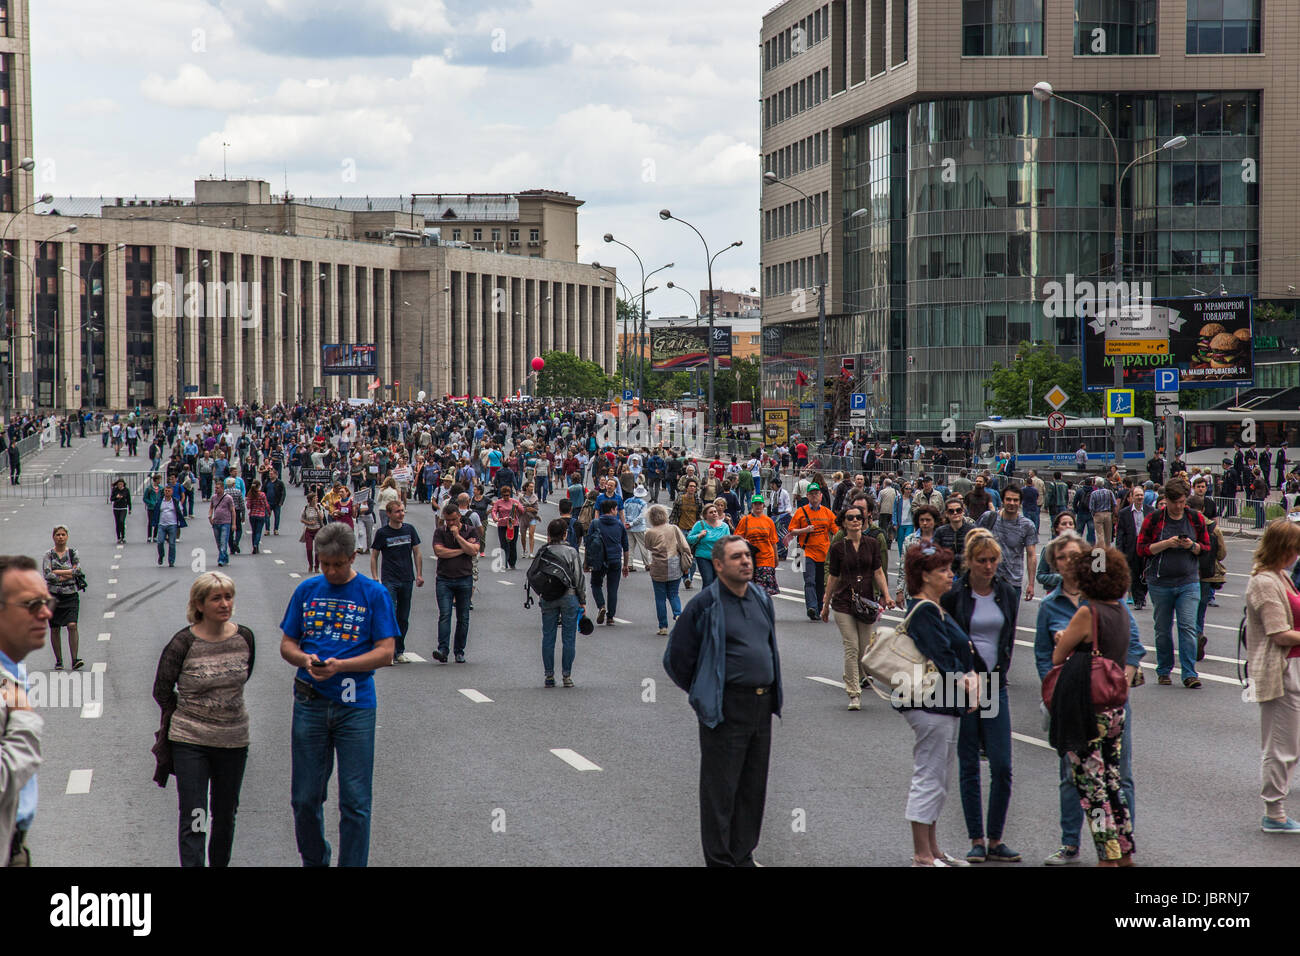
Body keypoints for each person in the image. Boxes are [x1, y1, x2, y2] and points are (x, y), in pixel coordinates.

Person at [279, 522, 397, 868]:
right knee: (304, 798)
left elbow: (386, 652)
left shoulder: (374, 594)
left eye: (337, 564)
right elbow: (287, 644)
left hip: (355, 706)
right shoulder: (306, 590)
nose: (330, 571)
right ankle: (315, 859)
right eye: (325, 564)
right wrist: (305, 659)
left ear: (352, 557)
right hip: (310, 702)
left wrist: (341, 666)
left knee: (355, 802)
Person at [663, 535, 781, 867]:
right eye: (736, 557)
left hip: (761, 705)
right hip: (726, 706)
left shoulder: (761, 598)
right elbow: (676, 659)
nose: (746, 561)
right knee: (721, 790)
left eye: (747, 555)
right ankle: (720, 861)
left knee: (752, 787)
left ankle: (743, 855)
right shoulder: (705, 604)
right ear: (718, 565)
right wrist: (706, 691)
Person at [1034, 531, 1144, 864]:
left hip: (1086, 708)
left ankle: (1106, 855)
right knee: (1113, 782)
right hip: (1113, 708)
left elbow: (1057, 656)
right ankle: (1124, 850)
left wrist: (1064, 638)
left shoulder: (1087, 613)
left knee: (1091, 788)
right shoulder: (1119, 610)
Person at [152, 572, 254, 867]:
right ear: (199, 604)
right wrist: (191, 713)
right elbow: (161, 690)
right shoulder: (183, 643)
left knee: (225, 815)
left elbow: (242, 677)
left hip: (233, 739)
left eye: (228, 597)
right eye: (216, 598)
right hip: (191, 740)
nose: (224, 604)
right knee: (195, 814)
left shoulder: (244, 638)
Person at [895, 544, 978, 867]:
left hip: (943, 703)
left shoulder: (934, 607)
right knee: (929, 776)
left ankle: (933, 848)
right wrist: (966, 680)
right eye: (943, 570)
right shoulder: (924, 610)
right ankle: (922, 854)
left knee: (939, 778)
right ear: (925, 576)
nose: (950, 575)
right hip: (931, 703)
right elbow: (941, 653)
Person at [941, 530, 1019, 863]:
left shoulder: (1005, 592)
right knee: (970, 764)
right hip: (963, 686)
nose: (988, 566)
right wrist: (958, 676)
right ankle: (976, 839)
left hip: (994, 684)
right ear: (970, 562)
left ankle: (996, 839)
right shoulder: (955, 594)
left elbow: (1008, 637)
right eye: (982, 560)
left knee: (1001, 766)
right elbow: (945, 640)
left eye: (993, 560)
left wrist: (1000, 671)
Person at [1243, 518, 1300, 831]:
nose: (1297, 555)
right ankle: (1274, 812)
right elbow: (1279, 634)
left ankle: (1276, 808)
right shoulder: (1265, 582)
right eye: (1295, 549)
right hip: (1280, 670)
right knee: (1281, 744)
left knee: (1290, 743)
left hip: (1293, 667)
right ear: (1283, 548)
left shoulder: (1281, 575)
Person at [1136, 478, 1210, 688]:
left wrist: (1191, 545)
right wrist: (1166, 544)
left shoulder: (1195, 518)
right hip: (1160, 583)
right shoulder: (1154, 519)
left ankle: (1189, 673)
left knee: (1187, 627)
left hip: (1188, 581)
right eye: (1175, 502)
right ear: (1166, 500)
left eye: (1182, 502)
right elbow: (1142, 549)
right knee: (1162, 628)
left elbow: (1205, 548)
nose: (1179, 506)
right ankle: (1164, 669)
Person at [0, 554, 49, 867]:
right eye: (32, 605)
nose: (45, 613)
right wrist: (24, 720)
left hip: (13, 841)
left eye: (46, 602)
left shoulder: (13, 670)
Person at [823, 504, 894, 711]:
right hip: (843, 602)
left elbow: (878, 572)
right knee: (851, 647)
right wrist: (825, 605)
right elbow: (833, 577)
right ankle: (854, 693)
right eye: (850, 518)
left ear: (863, 522)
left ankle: (853, 674)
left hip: (866, 602)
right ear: (844, 523)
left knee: (864, 651)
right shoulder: (838, 547)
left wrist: (887, 595)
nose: (855, 521)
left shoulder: (872, 544)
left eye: (858, 518)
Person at [530, 517, 586, 688]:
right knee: (569, 638)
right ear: (565, 534)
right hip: (569, 596)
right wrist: (582, 600)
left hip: (548, 597)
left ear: (548, 534)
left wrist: (541, 592)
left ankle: (549, 675)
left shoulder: (543, 551)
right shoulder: (571, 552)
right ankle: (567, 676)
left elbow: (534, 574)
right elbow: (579, 577)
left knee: (548, 636)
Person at [369, 500, 423, 664]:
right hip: (389, 579)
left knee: (403, 618)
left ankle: (399, 651)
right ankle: (388, 651)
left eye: (402, 511)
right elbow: (374, 556)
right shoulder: (382, 533)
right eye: (397, 511)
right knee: (390, 615)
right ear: (389, 514)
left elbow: (417, 553)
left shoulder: (409, 529)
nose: (401, 514)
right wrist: (375, 577)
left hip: (407, 578)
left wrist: (419, 574)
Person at [975, 483, 1037, 612]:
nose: (1012, 503)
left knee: (1008, 622)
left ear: (1020, 502)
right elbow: (973, 543)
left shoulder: (1027, 525)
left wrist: (1031, 584)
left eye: (1015, 500)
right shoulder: (988, 518)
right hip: (987, 580)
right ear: (1003, 500)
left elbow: (1031, 555)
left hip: (1012, 583)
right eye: (1008, 499)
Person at [433, 502, 478, 663]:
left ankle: (459, 651)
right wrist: (462, 550)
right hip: (444, 579)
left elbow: (473, 550)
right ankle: (443, 649)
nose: (450, 523)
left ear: (459, 516)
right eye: (447, 520)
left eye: (453, 519)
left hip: (464, 578)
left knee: (463, 617)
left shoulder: (470, 530)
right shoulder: (440, 532)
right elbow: (439, 552)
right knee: (445, 614)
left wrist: (458, 536)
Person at [788, 483, 839, 622]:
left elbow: (837, 531)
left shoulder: (827, 513)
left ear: (821, 496)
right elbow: (792, 531)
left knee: (820, 583)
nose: (814, 496)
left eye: (817, 493)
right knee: (809, 581)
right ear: (807, 496)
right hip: (806, 553)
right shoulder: (801, 512)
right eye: (811, 494)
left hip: (824, 553)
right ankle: (812, 608)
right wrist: (805, 530)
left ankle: (819, 609)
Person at [646, 504, 691, 636]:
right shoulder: (673, 528)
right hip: (674, 563)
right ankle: (678, 614)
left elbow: (648, 546)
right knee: (673, 593)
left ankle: (663, 626)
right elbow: (684, 545)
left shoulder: (650, 532)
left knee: (660, 598)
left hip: (658, 565)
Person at [42, 526, 83, 670]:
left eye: (63, 534)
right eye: (58, 534)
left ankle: (75, 659)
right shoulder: (48, 555)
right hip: (53, 596)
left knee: (72, 625)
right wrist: (68, 574)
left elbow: (77, 571)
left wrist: (58, 572)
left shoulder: (73, 553)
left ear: (67, 536)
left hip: (70, 594)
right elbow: (48, 574)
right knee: (55, 628)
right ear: (53, 537)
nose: (60, 537)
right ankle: (59, 660)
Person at [586, 498, 630, 626]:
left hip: (599, 560)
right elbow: (626, 547)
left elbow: (588, 544)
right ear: (612, 510)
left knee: (595, 584)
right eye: (616, 509)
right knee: (612, 588)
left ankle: (601, 606)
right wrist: (625, 565)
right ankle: (610, 617)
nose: (617, 511)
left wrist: (587, 563)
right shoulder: (619, 525)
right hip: (615, 559)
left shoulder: (595, 523)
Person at [1115, 484, 1152, 611]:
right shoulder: (1124, 513)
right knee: (1134, 574)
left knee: (1146, 573)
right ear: (1131, 497)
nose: (1140, 497)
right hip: (1131, 547)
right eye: (1137, 495)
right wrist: (1119, 550)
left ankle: (1142, 594)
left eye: (1141, 495)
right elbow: (1120, 533)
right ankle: (1138, 599)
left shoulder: (1151, 511)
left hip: (1146, 546)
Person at [1195, 516, 1227, 656]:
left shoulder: (1184, 523)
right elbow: (1221, 554)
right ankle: (1198, 634)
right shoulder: (1213, 528)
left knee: (1187, 610)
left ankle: (1192, 638)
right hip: (1207, 573)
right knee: (1201, 609)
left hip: (1187, 574)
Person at [736, 496, 780, 596]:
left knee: (764, 592)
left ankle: (764, 606)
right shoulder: (745, 520)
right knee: (750, 591)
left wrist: (776, 558)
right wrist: (744, 541)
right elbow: (737, 538)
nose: (758, 506)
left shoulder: (769, 521)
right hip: (750, 559)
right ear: (752, 505)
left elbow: (773, 542)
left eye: (760, 504)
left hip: (766, 558)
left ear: (763, 505)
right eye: (755, 504)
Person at [687, 502, 731, 589]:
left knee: (717, 582)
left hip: (719, 557)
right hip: (703, 556)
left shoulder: (724, 526)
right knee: (708, 581)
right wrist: (699, 535)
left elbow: (728, 542)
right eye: (711, 512)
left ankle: (715, 597)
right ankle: (706, 597)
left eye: (715, 511)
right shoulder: (700, 525)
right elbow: (689, 539)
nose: (714, 513)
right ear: (705, 515)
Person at [934, 496, 976, 575]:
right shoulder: (940, 532)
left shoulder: (972, 531)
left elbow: (974, 553)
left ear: (963, 511)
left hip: (968, 572)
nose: (955, 513)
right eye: (951, 511)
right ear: (946, 513)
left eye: (958, 510)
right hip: (946, 572)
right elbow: (936, 553)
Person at [491, 485, 524, 571]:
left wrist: (517, 507)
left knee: (513, 544)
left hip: (513, 525)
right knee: (504, 544)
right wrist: (495, 518)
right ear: (502, 495)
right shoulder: (498, 502)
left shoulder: (514, 501)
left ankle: (512, 563)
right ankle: (504, 563)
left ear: (510, 494)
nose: (506, 497)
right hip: (502, 525)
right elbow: (494, 511)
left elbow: (522, 511)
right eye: (504, 495)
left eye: (508, 495)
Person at [155, 484, 187, 568]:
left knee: (172, 543)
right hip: (162, 524)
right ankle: (161, 555)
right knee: (160, 542)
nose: (167, 492)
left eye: (169, 491)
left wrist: (180, 521)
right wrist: (155, 522)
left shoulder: (175, 501)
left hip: (172, 524)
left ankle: (171, 560)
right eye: (166, 491)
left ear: (172, 492)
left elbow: (180, 511)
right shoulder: (160, 501)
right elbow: (156, 511)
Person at [209, 479, 234, 568]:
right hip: (216, 523)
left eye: (218, 488)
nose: (216, 489)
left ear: (222, 488)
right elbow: (211, 507)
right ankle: (225, 557)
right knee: (219, 543)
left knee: (223, 542)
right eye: (215, 488)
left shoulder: (228, 498)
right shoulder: (213, 497)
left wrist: (233, 524)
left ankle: (221, 560)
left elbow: (232, 511)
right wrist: (210, 516)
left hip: (225, 522)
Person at [300, 491, 325, 573]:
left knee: (318, 549)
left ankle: (317, 566)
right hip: (309, 530)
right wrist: (309, 523)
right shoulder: (306, 508)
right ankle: (310, 565)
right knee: (309, 549)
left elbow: (321, 518)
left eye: (317, 497)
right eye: (315, 498)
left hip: (318, 530)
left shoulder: (319, 507)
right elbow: (302, 519)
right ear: (310, 500)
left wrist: (317, 509)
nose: (316, 499)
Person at [246, 480, 270, 554]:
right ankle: (256, 544)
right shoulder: (262, 494)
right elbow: (266, 505)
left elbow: (248, 506)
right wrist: (268, 512)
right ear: (259, 486)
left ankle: (254, 546)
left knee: (254, 531)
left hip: (252, 515)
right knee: (258, 531)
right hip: (261, 515)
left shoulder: (250, 494)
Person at [520, 480, 541, 559]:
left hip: (532, 517)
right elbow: (519, 507)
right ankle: (524, 550)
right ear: (526, 487)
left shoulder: (534, 497)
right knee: (523, 535)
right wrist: (524, 509)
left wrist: (531, 509)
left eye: (533, 487)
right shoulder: (521, 497)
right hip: (523, 517)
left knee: (531, 534)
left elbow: (536, 510)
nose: (532, 488)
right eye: (531, 487)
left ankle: (531, 552)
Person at [109, 478, 132, 544]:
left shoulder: (126, 490)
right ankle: (118, 537)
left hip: (123, 508)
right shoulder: (115, 490)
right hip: (116, 508)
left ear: (123, 484)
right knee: (117, 523)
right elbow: (111, 499)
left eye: (121, 484)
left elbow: (129, 499)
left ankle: (123, 536)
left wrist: (130, 508)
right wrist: (116, 497)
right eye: (119, 484)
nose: (120, 486)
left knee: (121, 521)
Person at [143, 474, 163, 543]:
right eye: (159, 479)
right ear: (156, 480)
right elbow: (145, 498)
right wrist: (150, 503)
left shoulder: (161, 488)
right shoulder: (149, 488)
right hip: (151, 508)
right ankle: (149, 536)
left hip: (158, 507)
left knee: (157, 522)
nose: (160, 481)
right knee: (150, 521)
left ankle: (155, 536)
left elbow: (162, 497)